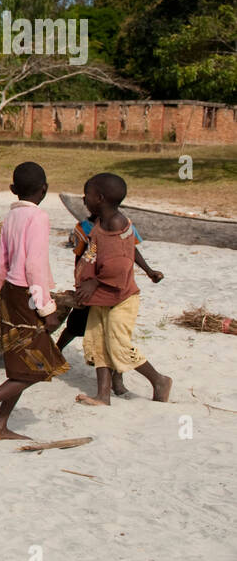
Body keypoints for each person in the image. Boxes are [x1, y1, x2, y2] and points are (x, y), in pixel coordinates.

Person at [0, 162, 69, 449]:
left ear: (12, 190)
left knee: (20, 366)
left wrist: (4, 292)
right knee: (39, 367)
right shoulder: (39, 217)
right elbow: (34, 266)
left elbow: (1, 260)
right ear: (45, 189)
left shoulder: (11, 216)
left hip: (9, 290)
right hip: (27, 295)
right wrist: (46, 308)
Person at [73, 173, 172, 406]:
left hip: (119, 297)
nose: (83, 199)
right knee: (97, 342)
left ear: (99, 198)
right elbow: (129, 249)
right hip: (101, 298)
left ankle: (159, 380)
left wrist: (94, 282)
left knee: (118, 344)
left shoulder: (115, 224)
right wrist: (148, 271)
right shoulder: (104, 221)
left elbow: (120, 264)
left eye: (86, 195)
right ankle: (103, 395)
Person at [57, 209, 163, 354]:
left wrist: (149, 271)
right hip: (89, 287)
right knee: (76, 324)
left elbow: (131, 249)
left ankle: (112, 367)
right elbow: (80, 258)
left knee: (112, 329)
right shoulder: (83, 228)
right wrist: (80, 283)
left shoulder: (124, 226)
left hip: (113, 287)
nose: (84, 199)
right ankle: (57, 350)